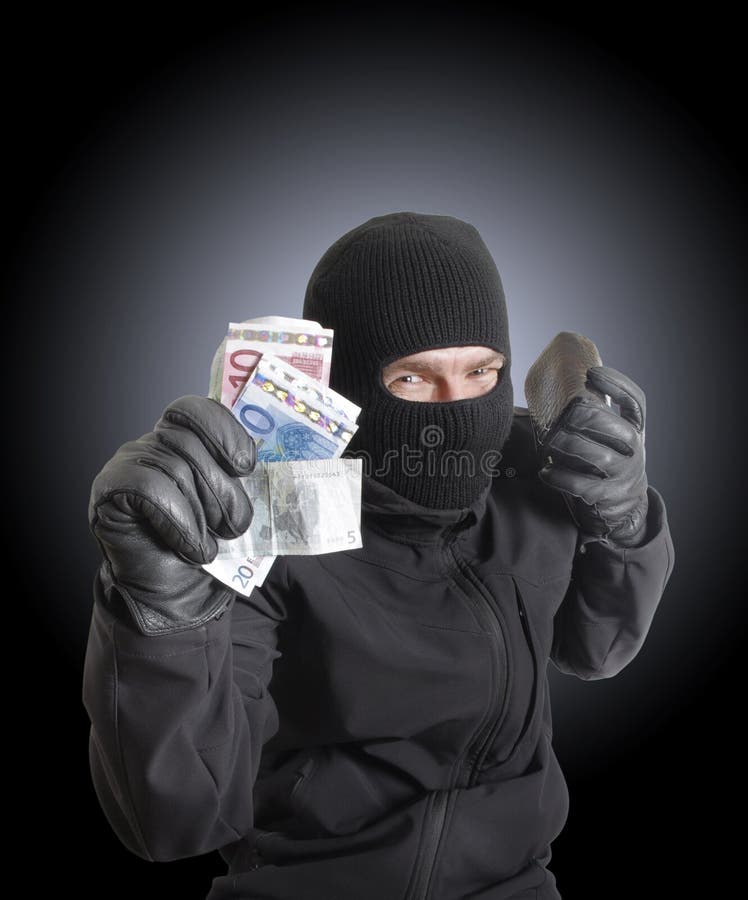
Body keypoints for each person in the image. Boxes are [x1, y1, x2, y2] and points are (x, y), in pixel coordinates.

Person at [83, 211, 675, 899]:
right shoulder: (263, 534)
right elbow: (175, 820)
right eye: (413, 380)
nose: (455, 407)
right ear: (347, 390)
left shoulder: (531, 484)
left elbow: (597, 649)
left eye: (482, 371)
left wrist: (625, 523)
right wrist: (162, 617)